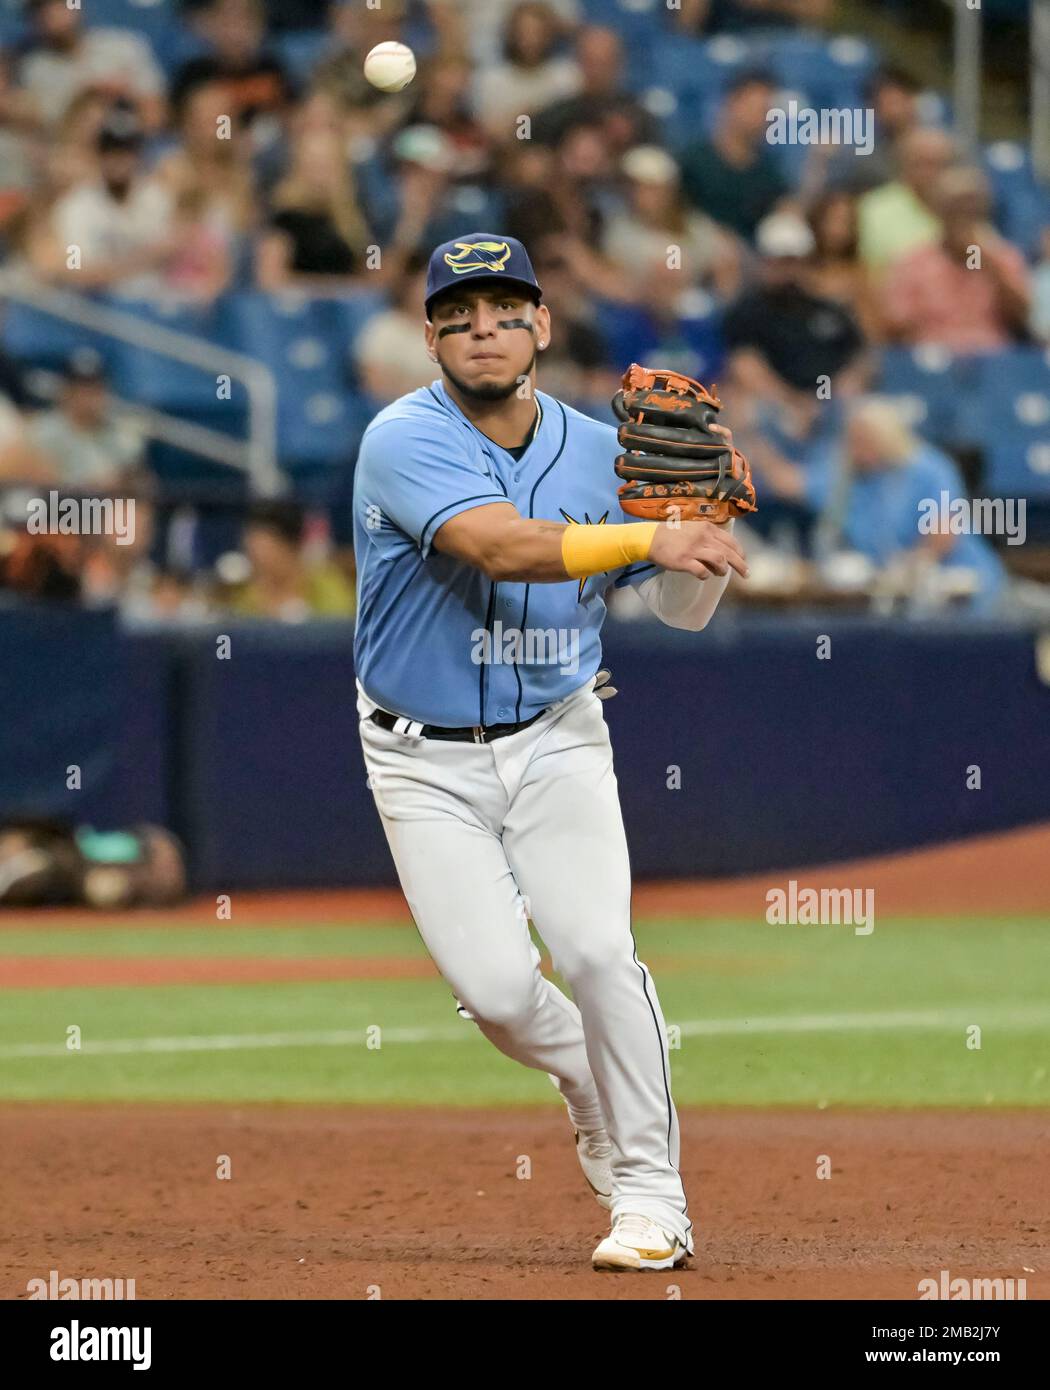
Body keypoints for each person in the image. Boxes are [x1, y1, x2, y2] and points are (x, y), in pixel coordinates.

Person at [352, 231, 749, 1272]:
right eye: (459, 314)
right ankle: (590, 1073)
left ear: (542, 324)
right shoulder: (401, 438)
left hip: (560, 734)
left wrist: (695, 533)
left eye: (504, 310)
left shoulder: (598, 447)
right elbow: (497, 544)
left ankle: (651, 1196)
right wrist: (643, 536)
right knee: (493, 990)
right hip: (420, 755)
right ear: (430, 332)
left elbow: (677, 607)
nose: (483, 329)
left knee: (599, 952)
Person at [814, 397, 1005, 615]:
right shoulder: (849, 482)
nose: (856, 449)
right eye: (852, 441)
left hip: (960, 586)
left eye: (864, 440)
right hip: (893, 597)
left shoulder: (929, 468)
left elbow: (944, 533)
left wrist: (909, 566)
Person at [28, 100, 175, 297]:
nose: (119, 162)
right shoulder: (76, 206)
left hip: (151, 305)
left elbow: (172, 253)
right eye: (111, 152)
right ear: (100, 155)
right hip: (98, 307)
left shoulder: (157, 198)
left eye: (126, 152)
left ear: (138, 155)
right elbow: (75, 270)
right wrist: (143, 259)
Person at [881, 167, 1030, 351]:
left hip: (991, 360)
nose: (965, 212)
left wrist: (989, 266)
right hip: (931, 358)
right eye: (955, 205)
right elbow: (894, 327)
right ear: (938, 210)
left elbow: (1022, 319)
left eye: (972, 204)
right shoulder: (913, 262)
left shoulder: (1002, 257)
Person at [15, 0, 166, 132]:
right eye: (41, 9)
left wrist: (123, 95)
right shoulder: (33, 68)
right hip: (71, 156)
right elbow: (46, 131)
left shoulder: (124, 46)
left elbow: (156, 115)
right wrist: (86, 96)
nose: (53, 13)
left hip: (130, 146)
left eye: (61, 3)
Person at [679, 71, 789, 241]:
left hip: (753, 260)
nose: (767, 118)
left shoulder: (768, 172)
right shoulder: (693, 161)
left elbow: (785, 216)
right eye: (761, 109)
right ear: (732, 103)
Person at [25, 349, 144, 490]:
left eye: (95, 389)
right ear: (66, 391)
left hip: (112, 506)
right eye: (81, 389)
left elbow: (141, 483)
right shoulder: (42, 431)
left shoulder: (121, 433)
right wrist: (93, 484)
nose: (88, 397)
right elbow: (38, 484)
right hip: (58, 507)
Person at [533, 25, 662, 155]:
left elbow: (657, 159)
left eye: (604, 63)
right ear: (577, 63)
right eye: (590, 62)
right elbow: (528, 143)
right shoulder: (558, 116)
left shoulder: (639, 119)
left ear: (619, 65)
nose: (596, 72)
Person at [229, 499, 355, 620]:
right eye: (251, 551)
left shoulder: (328, 588)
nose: (258, 560)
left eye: (266, 550)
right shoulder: (244, 599)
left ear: (292, 546)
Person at [472, 1, 582, 140]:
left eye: (537, 32)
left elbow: (573, 129)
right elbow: (489, 132)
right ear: (511, 34)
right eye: (523, 32)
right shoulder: (491, 80)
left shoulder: (567, 76)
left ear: (549, 35)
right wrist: (529, 115)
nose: (530, 39)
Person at [857, 125, 954, 274]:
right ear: (904, 164)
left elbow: (975, 263)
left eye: (939, 164)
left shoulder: (962, 211)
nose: (931, 173)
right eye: (922, 163)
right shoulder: (872, 208)